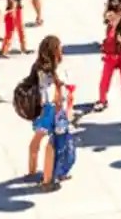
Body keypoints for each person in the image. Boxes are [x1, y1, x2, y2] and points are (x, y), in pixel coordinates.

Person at [29, 35, 75, 192]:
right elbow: (56, 94)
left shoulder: (38, 66)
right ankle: (48, 180)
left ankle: (32, 170)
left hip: (43, 110)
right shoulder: (54, 71)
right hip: (54, 110)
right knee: (54, 144)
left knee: (37, 139)